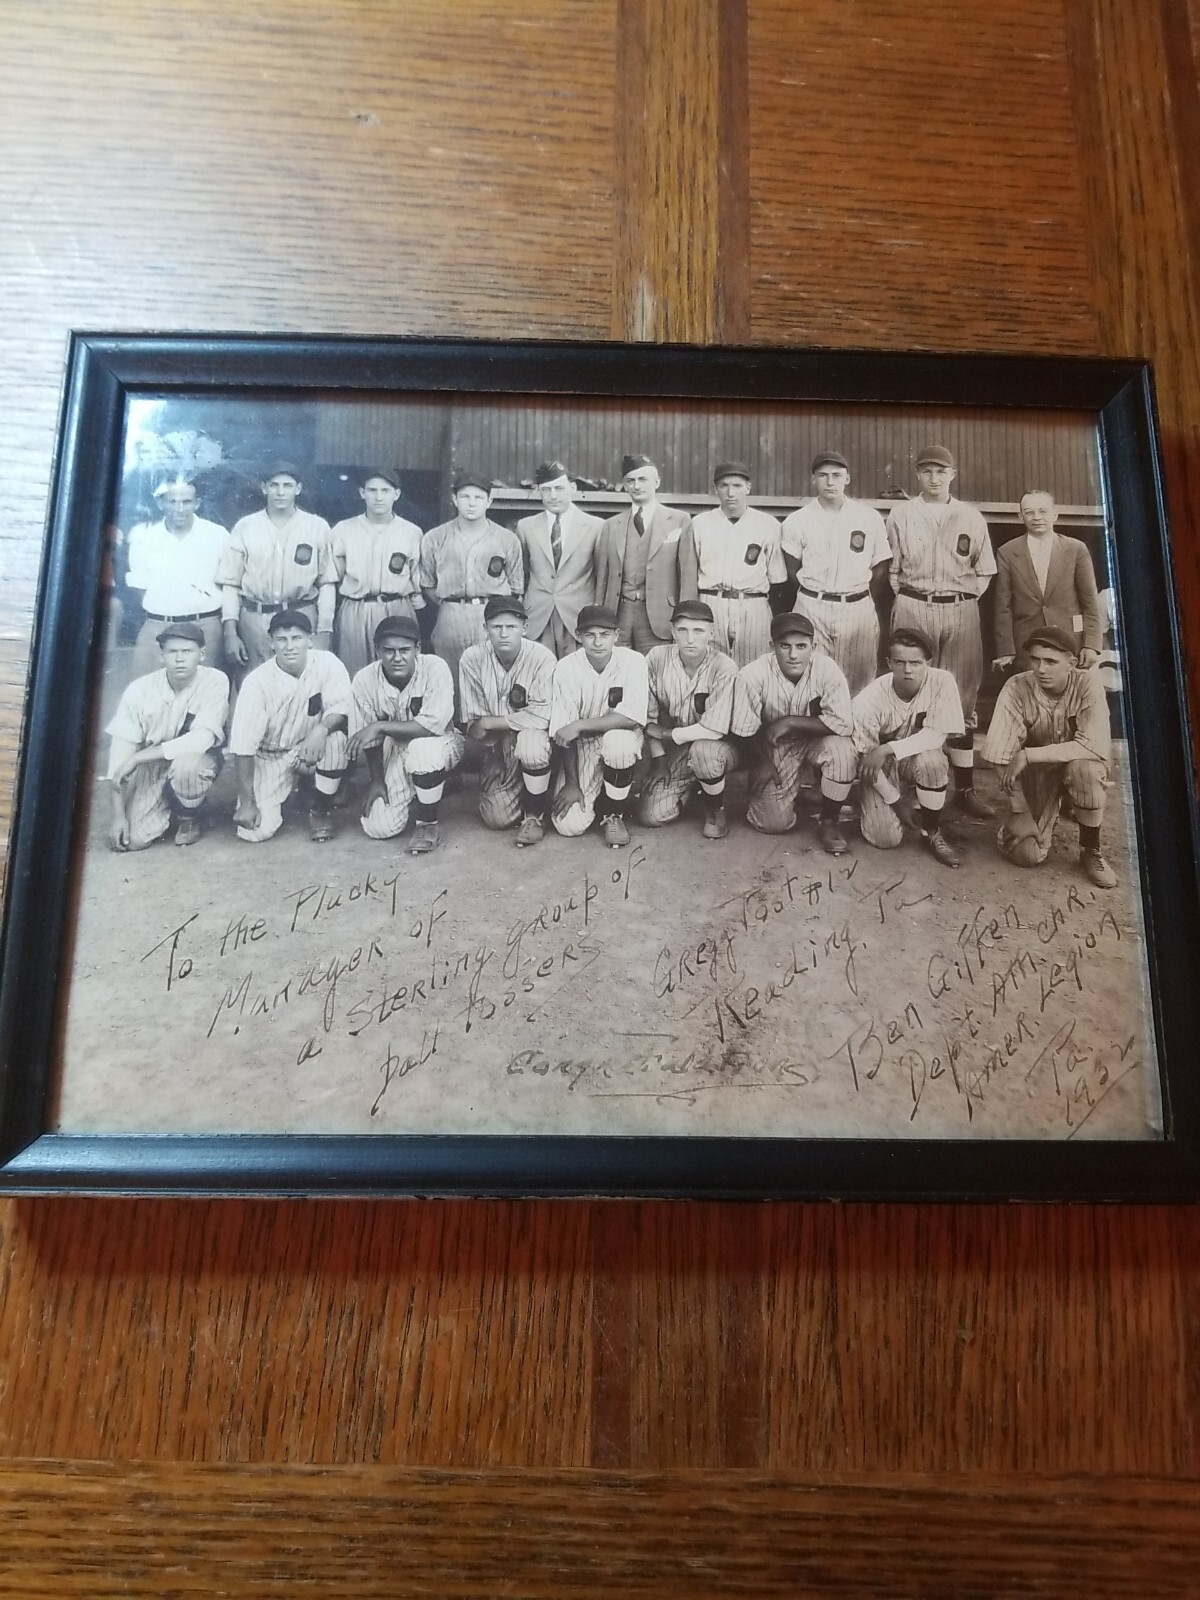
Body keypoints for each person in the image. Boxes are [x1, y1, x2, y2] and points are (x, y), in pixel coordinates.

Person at [886, 445, 997, 817]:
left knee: (962, 695)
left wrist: (960, 600)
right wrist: (915, 599)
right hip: (915, 604)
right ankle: (908, 781)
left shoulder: (970, 516)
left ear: (953, 474)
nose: (934, 478)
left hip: (960, 607)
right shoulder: (902, 513)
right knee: (908, 688)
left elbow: (985, 571)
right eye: (927, 471)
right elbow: (892, 571)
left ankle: (964, 788)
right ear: (917, 475)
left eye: (941, 471)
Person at [981, 626, 1118, 888]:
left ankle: (1091, 849)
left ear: (1072, 662)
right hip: (1040, 772)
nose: (1041, 669)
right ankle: (1046, 812)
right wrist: (1020, 810)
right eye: (1035, 659)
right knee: (1026, 854)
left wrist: (1029, 754)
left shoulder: (1088, 683)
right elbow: (997, 753)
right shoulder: (1017, 686)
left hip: (1076, 763)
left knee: (1085, 773)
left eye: (1051, 661)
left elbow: (1093, 746)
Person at [730, 610, 858, 853]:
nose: (793, 654)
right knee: (772, 824)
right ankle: (792, 792)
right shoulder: (752, 674)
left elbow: (843, 723)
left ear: (814, 645)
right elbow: (744, 728)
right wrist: (762, 762)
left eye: (801, 646)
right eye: (785, 646)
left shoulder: (827, 668)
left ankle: (829, 821)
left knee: (843, 752)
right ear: (772, 646)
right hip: (774, 745)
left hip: (817, 740)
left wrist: (790, 721)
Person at [227, 609, 352, 843]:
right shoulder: (257, 682)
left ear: (310, 640)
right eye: (281, 640)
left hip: (307, 746)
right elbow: (243, 747)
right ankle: (291, 789)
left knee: (336, 742)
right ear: (272, 643)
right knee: (255, 832)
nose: (289, 646)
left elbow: (342, 707)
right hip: (268, 756)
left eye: (297, 638)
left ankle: (319, 808)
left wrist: (321, 728)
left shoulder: (327, 663)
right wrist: (246, 803)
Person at [106, 620, 229, 851]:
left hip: (193, 759)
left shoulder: (216, 680)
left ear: (201, 654)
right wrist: (117, 816)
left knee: (188, 768)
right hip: (151, 766)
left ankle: (189, 814)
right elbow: (119, 760)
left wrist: (137, 758)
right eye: (172, 652)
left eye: (187, 651)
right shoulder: (139, 689)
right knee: (133, 841)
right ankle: (170, 805)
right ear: (161, 656)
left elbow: (202, 739)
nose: (179, 658)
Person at [348, 614, 463, 854]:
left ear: (417, 648)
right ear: (377, 650)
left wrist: (380, 726)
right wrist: (377, 781)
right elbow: (369, 740)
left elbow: (432, 726)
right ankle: (420, 790)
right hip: (396, 748)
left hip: (441, 741)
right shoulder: (364, 679)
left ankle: (427, 823)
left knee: (422, 750)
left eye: (404, 650)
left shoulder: (435, 667)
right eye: (389, 650)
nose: (397, 658)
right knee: (378, 828)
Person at [780, 449, 892, 694]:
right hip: (813, 604)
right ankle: (813, 731)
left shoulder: (869, 517)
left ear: (847, 479)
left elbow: (881, 564)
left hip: (856, 605)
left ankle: (857, 731)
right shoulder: (797, 520)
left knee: (860, 680)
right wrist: (812, 594)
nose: (830, 482)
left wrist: (862, 596)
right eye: (823, 475)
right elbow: (791, 568)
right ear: (813, 480)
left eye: (836, 475)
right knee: (811, 677)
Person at [852, 627, 965, 867]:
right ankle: (863, 799)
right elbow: (868, 761)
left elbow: (935, 735)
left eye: (915, 662)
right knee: (886, 839)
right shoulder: (869, 700)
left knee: (934, 760)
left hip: (906, 756)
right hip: (879, 769)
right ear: (888, 662)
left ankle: (931, 831)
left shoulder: (942, 681)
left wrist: (887, 748)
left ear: (929, 662)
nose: (907, 670)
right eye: (900, 662)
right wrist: (896, 803)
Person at [217, 461, 337, 670]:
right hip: (255, 619)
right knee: (253, 685)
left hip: (300, 614)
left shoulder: (317, 527)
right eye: (274, 485)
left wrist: (324, 632)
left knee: (301, 685)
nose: (280, 492)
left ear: (298, 489)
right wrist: (230, 633)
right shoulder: (246, 526)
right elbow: (230, 584)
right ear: (264, 488)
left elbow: (327, 583)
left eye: (287, 486)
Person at [637, 600, 739, 840]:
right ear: (673, 632)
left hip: (723, 746)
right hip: (682, 747)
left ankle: (716, 808)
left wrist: (666, 734)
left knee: (705, 752)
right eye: (682, 630)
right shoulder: (657, 657)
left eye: (698, 631)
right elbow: (648, 719)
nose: (690, 639)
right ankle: (693, 788)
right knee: (651, 816)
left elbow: (714, 729)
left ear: (711, 633)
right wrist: (659, 758)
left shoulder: (724, 666)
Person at [459, 596, 556, 846]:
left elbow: (542, 715)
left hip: (538, 739)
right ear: (485, 629)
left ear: (524, 628)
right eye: (496, 627)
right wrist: (491, 757)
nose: (504, 634)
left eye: (511, 627)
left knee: (532, 743)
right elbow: (476, 723)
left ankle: (536, 814)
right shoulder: (472, 658)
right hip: (497, 746)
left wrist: (492, 722)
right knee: (497, 819)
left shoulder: (542, 657)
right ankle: (526, 791)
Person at [549, 603, 648, 847]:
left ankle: (613, 813)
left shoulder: (634, 661)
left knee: (619, 744)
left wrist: (581, 724)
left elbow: (631, 717)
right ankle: (601, 793)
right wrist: (572, 784)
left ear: (616, 635)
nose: (597, 642)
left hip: (619, 740)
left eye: (605, 635)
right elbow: (564, 732)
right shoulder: (566, 668)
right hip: (582, 747)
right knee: (568, 826)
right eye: (590, 635)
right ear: (578, 636)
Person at [418, 471, 524, 696]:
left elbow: (516, 588)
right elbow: (427, 583)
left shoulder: (507, 539)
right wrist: (450, 604)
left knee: (492, 678)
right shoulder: (435, 537)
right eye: (465, 497)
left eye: (478, 497)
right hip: (451, 613)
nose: (472, 503)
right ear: (454, 499)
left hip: (491, 613)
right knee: (449, 679)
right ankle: (453, 729)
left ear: (490, 500)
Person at [678, 460, 787, 668]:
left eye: (737, 486)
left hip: (752, 602)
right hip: (711, 601)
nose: (730, 493)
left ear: (748, 487)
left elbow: (778, 579)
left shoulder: (768, 525)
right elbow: (689, 575)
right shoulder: (699, 523)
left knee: (754, 669)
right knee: (710, 669)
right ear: (715, 489)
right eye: (724, 486)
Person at [124, 477, 230, 673]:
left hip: (205, 626)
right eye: (172, 502)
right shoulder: (144, 538)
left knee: (206, 691)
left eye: (186, 502)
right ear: (160, 503)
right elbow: (140, 588)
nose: (179, 508)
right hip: (158, 625)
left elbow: (229, 584)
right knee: (150, 692)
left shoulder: (217, 535)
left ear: (197, 503)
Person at [992, 489, 1103, 671]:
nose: (1036, 517)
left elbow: (1090, 602)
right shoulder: (1007, 552)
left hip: (1069, 643)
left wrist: (1091, 645)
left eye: (1043, 511)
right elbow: (1002, 606)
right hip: (1027, 645)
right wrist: (1006, 649)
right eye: (1029, 512)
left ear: (1055, 514)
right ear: (1021, 516)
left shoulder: (1076, 550)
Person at [331, 466, 425, 678]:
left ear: (397, 494)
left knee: (400, 673)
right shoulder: (343, 530)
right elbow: (336, 576)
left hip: (397, 606)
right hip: (356, 608)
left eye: (385, 491)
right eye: (372, 490)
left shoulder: (412, 532)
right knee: (354, 673)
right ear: (362, 493)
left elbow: (417, 577)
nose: (378, 497)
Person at [594, 453, 688, 653]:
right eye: (631, 481)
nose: (637, 486)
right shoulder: (611, 525)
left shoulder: (679, 520)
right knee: (619, 672)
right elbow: (602, 577)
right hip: (619, 615)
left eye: (643, 479)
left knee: (656, 672)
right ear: (625, 485)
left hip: (660, 616)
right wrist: (601, 616)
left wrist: (685, 618)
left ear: (656, 482)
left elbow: (686, 575)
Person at [517, 460, 603, 657]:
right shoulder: (525, 527)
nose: (553, 495)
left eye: (559, 488)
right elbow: (523, 574)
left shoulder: (595, 526)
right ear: (538, 491)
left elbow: (601, 576)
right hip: (538, 617)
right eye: (546, 490)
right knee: (539, 676)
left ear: (572, 488)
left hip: (578, 618)